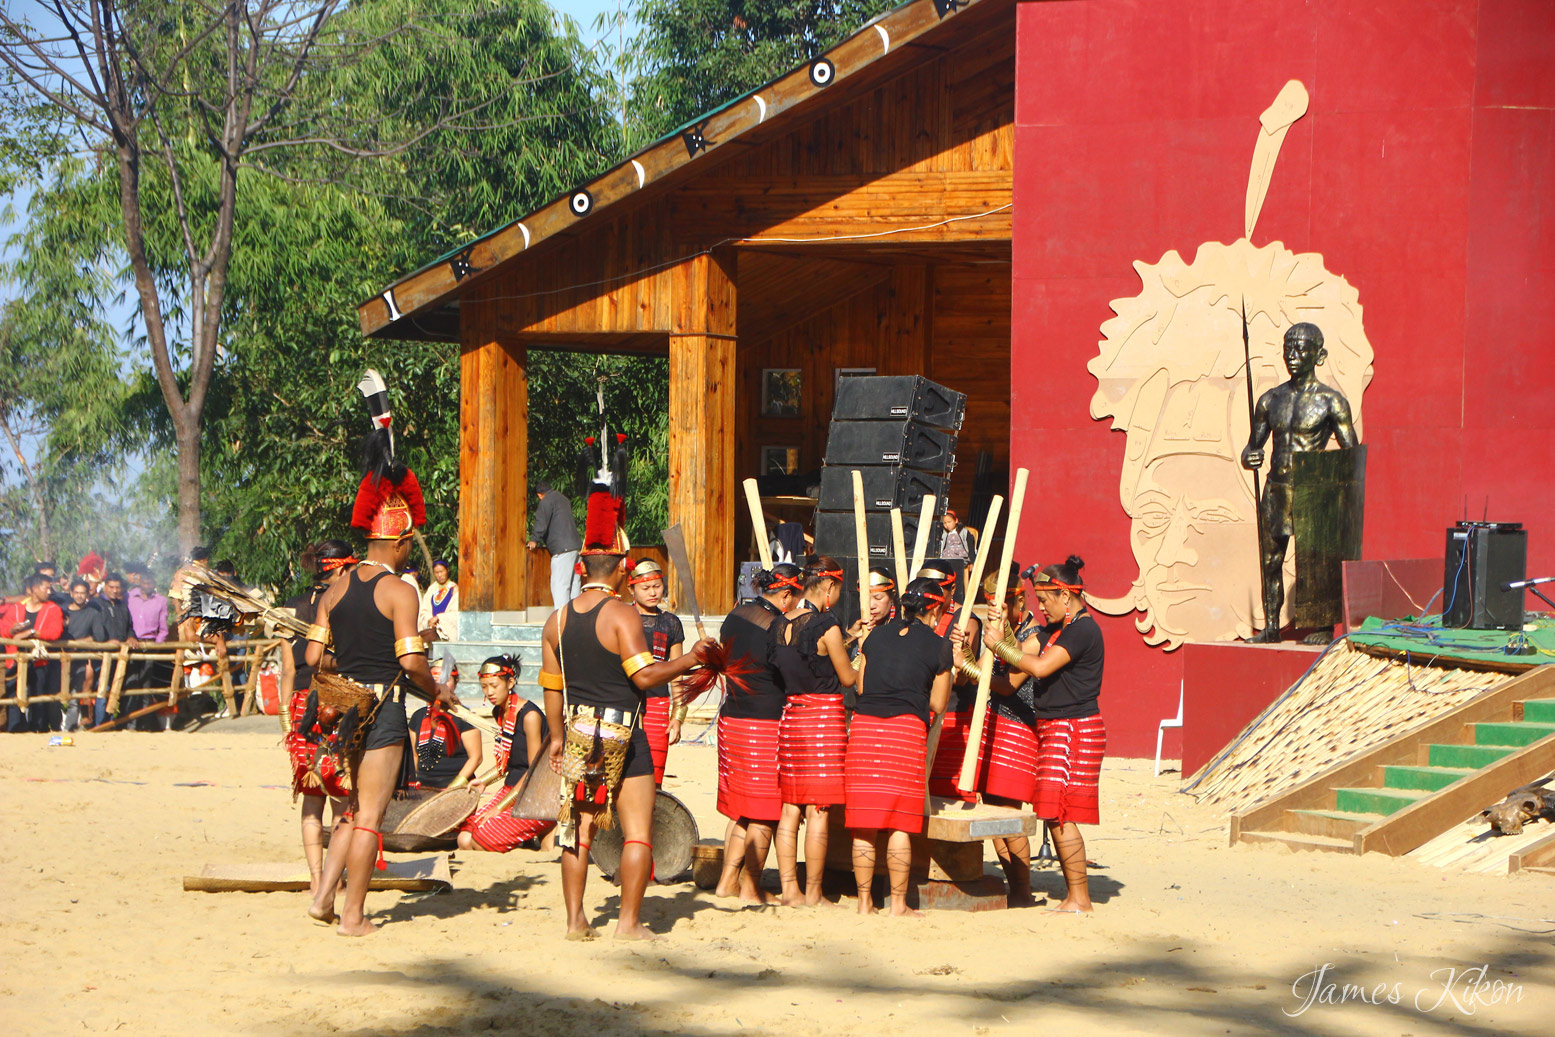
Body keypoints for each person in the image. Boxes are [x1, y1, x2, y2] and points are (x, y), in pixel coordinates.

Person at [305, 419, 454, 936]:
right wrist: (438, 694)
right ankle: (353, 916)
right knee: (369, 816)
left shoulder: (335, 589)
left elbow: (312, 658)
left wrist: (346, 672)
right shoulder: (401, 593)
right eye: (411, 543)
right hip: (383, 710)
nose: (413, 550)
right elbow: (411, 663)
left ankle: (324, 898)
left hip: (342, 708)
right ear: (401, 541)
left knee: (348, 809)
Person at [537, 505, 713, 940]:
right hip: (623, 736)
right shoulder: (621, 615)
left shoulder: (556, 621)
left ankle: (576, 921)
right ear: (619, 568)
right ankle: (628, 924)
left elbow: (551, 690)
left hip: (578, 734)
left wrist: (556, 738)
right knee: (637, 833)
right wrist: (692, 658)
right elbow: (645, 675)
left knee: (577, 830)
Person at [981, 556, 1107, 914]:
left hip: (1073, 727)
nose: (1041, 606)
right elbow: (1024, 652)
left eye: (1046, 599)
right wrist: (1002, 627)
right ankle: (1075, 896)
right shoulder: (1058, 630)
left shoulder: (1083, 630)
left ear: (1065, 596)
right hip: (1057, 728)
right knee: (1054, 812)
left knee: (1060, 813)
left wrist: (997, 646)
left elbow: (1037, 666)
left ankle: (1079, 899)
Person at [1240, 323, 1359, 642]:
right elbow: (1253, 446)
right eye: (1288, 347)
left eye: (1301, 348)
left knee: (1316, 560)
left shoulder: (1332, 402)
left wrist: (1338, 497)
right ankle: (1272, 626)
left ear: (1319, 355)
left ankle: (1321, 625)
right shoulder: (1270, 400)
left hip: (1313, 490)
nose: (1293, 355)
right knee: (1270, 559)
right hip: (1277, 489)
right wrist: (1250, 455)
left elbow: (1352, 456)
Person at [845, 576, 953, 917]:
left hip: (864, 729)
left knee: (864, 823)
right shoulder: (939, 646)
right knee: (899, 823)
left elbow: (861, 686)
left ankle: (864, 903)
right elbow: (937, 703)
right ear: (934, 610)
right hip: (904, 732)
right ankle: (899, 904)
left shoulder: (875, 637)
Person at [710, 562, 800, 904]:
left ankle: (726, 882)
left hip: (731, 718)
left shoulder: (735, 615)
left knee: (743, 810)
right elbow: (788, 674)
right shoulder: (776, 626)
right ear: (786, 595)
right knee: (764, 811)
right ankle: (751, 887)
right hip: (762, 723)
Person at [772, 555, 856, 907]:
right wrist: (863, 654)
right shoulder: (827, 626)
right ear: (828, 586)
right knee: (818, 809)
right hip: (822, 721)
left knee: (790, 807)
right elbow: (848, 677)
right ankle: (814, 892)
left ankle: (790, 889)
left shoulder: (781, 623)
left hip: (792, 718)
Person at [962, 566, 1043, 906]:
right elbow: (981, 672)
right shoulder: (998, 632)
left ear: (1018, 600)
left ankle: (1023, 890)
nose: (995, 612)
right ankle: (1013, 886)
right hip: (992, 724)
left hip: (1019, 728)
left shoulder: (1035, 637)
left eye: (1001, 606)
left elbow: (1009, 684)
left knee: (1009, 812)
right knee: (992, 811)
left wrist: (974, 663)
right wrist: (964, 658)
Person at [279, 540, 356, 894]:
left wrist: (285, 719)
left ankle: (316, 877)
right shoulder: (343, 604)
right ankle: (331, 878)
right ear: (339, 568)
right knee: (341, 795)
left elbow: (287, 671)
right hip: (334, 704)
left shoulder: (290, 609)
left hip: (299, 707)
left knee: (313, 798)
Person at [456, 655, 555, 853]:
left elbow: (533, 772)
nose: (489, 692)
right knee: (464, 838)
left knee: (481, 840)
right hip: (511, 789)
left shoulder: (530, 716)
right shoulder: (500, 712)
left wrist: (499, 808)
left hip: (534, 797)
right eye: (484, 687)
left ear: (510, 682)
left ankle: (545, 822)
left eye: (493, 685)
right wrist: (484, 781)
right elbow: (508, 762)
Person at [626, 558, 685, 785]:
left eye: (657, 586)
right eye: (646, 588)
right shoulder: (622, 617)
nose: (653, 593)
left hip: (658, 705)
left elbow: (677, 670)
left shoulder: (671, 623)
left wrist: (678, 715)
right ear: (631, 589)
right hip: (626, 703)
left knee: (653, 777)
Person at [3, 573, 66, 731]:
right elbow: (3, 629)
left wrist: (31, 632)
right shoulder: (16, 608)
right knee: (13, 693)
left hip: (39, 660)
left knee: (38, 693)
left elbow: (54, 632)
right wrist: (12, 630)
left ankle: (38, 727)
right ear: (34, 589)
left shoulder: (53, 609)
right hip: (15, 658)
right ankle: (15, 727)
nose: (49, 591)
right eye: (47, 588)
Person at [124, 564, 170, 730]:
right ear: (140, 582)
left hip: (149, 644)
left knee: (145, 684)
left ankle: (143, 723)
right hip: (131, 643)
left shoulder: (161, 601)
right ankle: (129, 723)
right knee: (130, 682)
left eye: (151, 582)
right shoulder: (128, 597)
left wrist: (156, 646)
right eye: (145, 581)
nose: (148, 585)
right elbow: (125, 621)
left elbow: (163, 628)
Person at [526, 482, 582, 608]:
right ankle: (576, 619)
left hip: (562, 550)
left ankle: (561, 621)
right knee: (574, 586)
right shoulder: (563, 499)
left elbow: (541, 522)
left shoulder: (546, 501)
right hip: (577, 548)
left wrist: (534, 539)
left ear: (539, 495)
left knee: (560, 586)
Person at [407, 696, 481, 789]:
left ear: (455, 682)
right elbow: (415, 755)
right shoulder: (418, 716)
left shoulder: (464, 717)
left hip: (455, 785)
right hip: (423, 786)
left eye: (446, 681)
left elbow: (476, 758)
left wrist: (454, 786)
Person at [89, 572, 134, 727]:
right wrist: (105, 642)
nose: (115, 590)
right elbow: (95, 629)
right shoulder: (96, 605)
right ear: (105, 587)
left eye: (117, 587)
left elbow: (129, 628)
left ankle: (112, 722)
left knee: (118, 688)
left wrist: (131, 637)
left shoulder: (123, 607)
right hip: (102, 655)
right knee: (103, 689)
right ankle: (99, 724)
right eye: (111, 587)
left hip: (120, 655)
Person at [63, 578, 107, 730]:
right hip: (61, 658)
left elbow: (99, 637)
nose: (79, 596)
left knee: (79, 693)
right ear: (71, 593)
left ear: (87, 594)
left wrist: (79, 643)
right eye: (76, 592)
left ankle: (73, 726)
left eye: (83, 593)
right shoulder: (63, 611)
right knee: (58, 693)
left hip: (83, 659)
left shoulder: (93, 613)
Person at [419, 559, 460, 641]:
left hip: (446, 633)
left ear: (447, 570)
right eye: (436, 573)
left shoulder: (454, 589)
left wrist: (439, 618)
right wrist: (429, 619)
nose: (439, 575)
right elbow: (424, 610)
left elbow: (456, 613)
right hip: (432, 632)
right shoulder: (431, 589)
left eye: (442, 571)